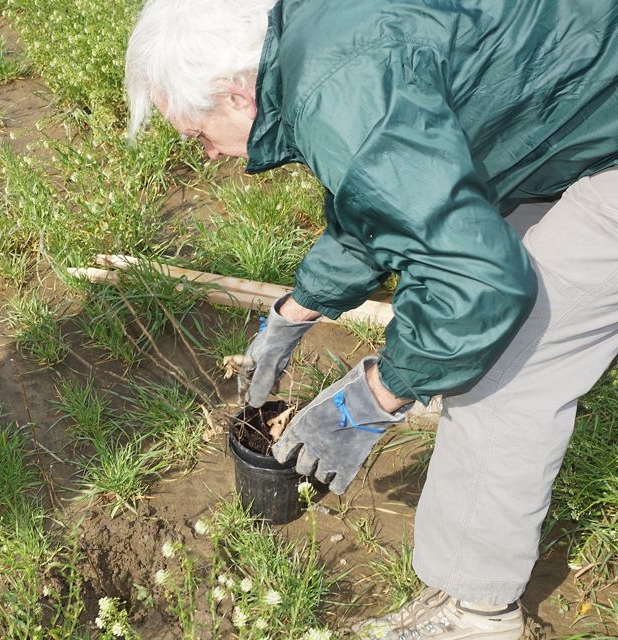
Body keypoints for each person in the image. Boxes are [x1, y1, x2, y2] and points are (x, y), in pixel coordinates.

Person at [125, 0, 618, 637]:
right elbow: (394, 195)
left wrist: (373, 398)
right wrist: (296, 308)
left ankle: (478, 615)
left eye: (199, 135)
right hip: (575, 102)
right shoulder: (318, 36)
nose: (210, 155)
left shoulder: (337, 86)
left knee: (511, 365)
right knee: (462, 296)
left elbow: (480, 283)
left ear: (236, 92)